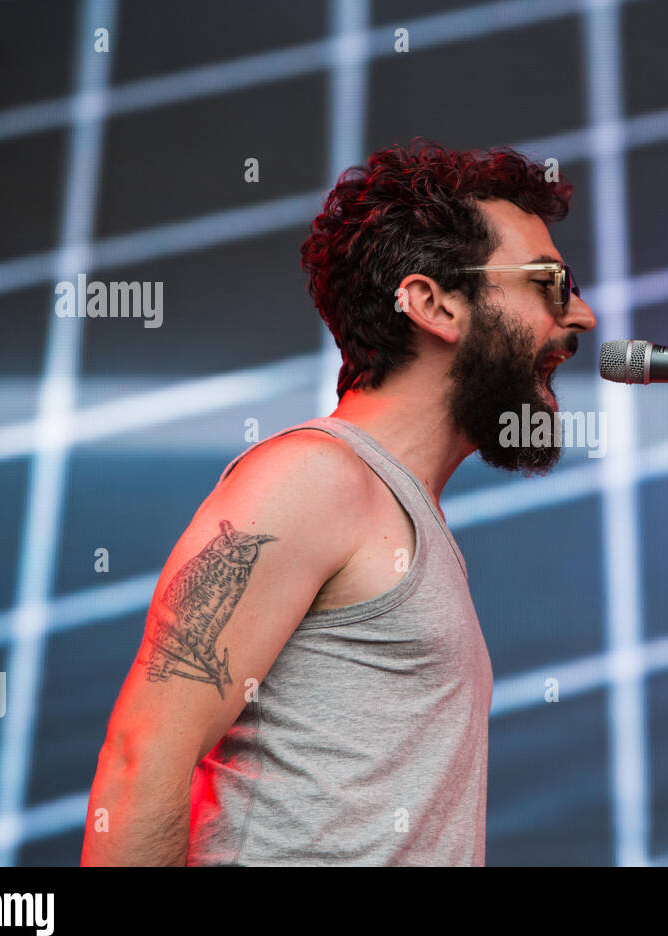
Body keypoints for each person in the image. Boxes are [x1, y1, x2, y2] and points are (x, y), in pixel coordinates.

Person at [81, 138, 597, 865]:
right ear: (433, 304)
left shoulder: (402, 511)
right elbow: (141, 765)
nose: (582, 316)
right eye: (550, 280)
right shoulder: (314, 478)